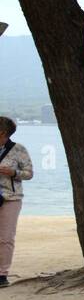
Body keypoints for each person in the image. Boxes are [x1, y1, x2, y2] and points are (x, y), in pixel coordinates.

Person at [0, 116, 35, 288]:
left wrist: (13, 173)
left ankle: (2, 274)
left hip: (10, 199)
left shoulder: (18, 150)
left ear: (4, 133)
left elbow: (29, 173)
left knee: (6, 238)